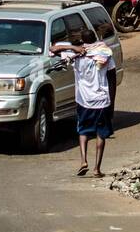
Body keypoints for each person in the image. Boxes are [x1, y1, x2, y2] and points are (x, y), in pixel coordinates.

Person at [49, 38, 116, 177]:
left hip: (84, 101)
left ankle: (83, 161)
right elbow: (112, 79)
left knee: (83, 132)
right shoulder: (105, 55)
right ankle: (97, 169)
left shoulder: (76, 56)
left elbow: (53, 49)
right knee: (101, 134)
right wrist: (112, 102)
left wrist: (74, 48)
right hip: (102, 101)